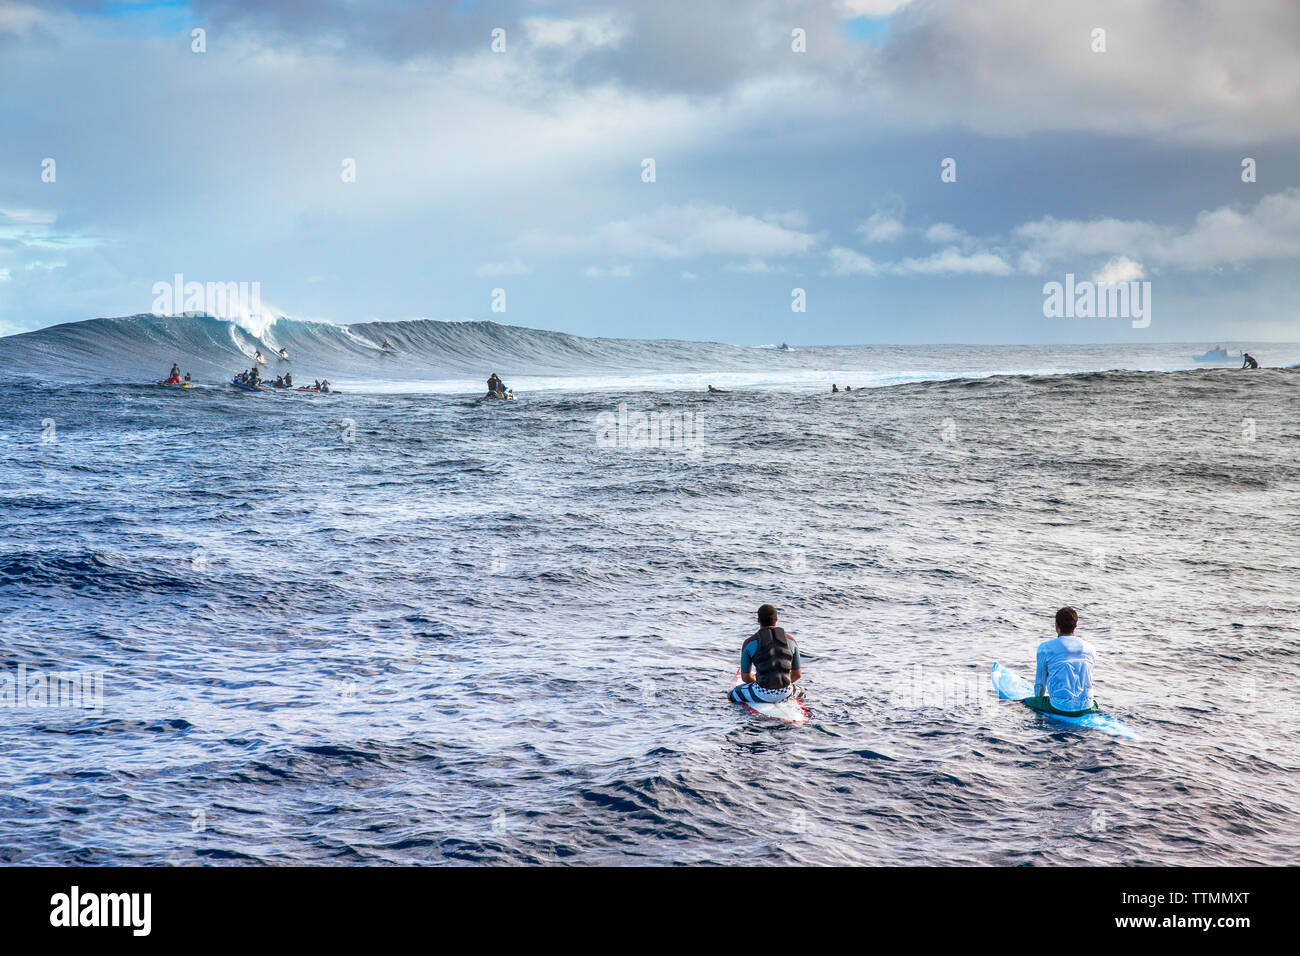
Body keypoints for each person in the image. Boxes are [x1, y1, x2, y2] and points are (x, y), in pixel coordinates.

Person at [1025, 607, 1098, 716]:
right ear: (1076, 625)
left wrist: (1037, 702)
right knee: (1093, 702)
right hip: (1088, 706)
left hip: (1060, 707)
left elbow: (1040, 684)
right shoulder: (1090, 648)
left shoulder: (1045, 648)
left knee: (1023, 703)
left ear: (1056, 626)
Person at [729, 604, 803, 705]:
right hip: (786, 692)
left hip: (761, 693)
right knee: (802, 692)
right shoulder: (791, 641)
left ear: (758, 620)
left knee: (732, 695)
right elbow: (797, 674)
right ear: (776, 619)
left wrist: (755, 679)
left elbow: (745, 678)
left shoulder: (749, 643)